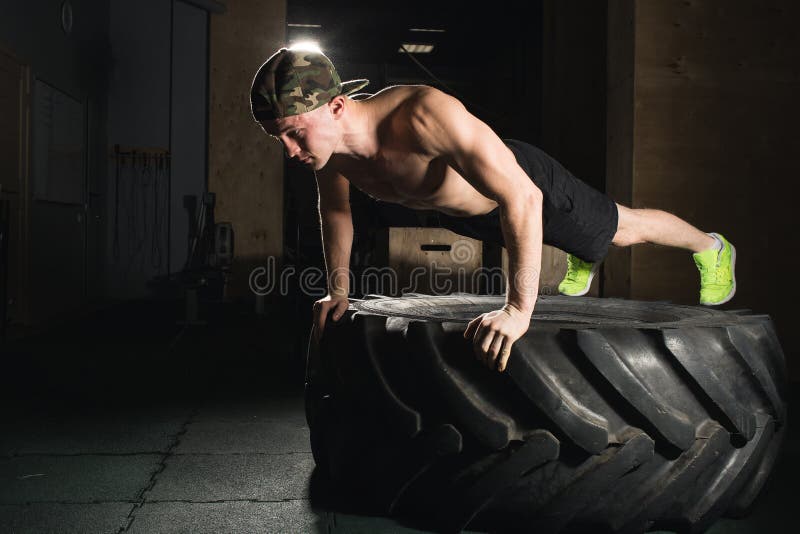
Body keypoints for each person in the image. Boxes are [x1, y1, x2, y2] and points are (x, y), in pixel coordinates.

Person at [250, 45, 736, 373]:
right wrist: (339, 290)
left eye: (295, 132)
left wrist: (519, 310)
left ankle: (710, 247)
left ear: (336, 107)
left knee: (623, 229)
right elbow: (336, 213)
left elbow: (522, 198)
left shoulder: (420, 116)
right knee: (549, 233)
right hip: (469, 216)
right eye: (280, 139)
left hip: (521, 182)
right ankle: (582, 251)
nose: (290, 151)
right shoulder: (329, 151)